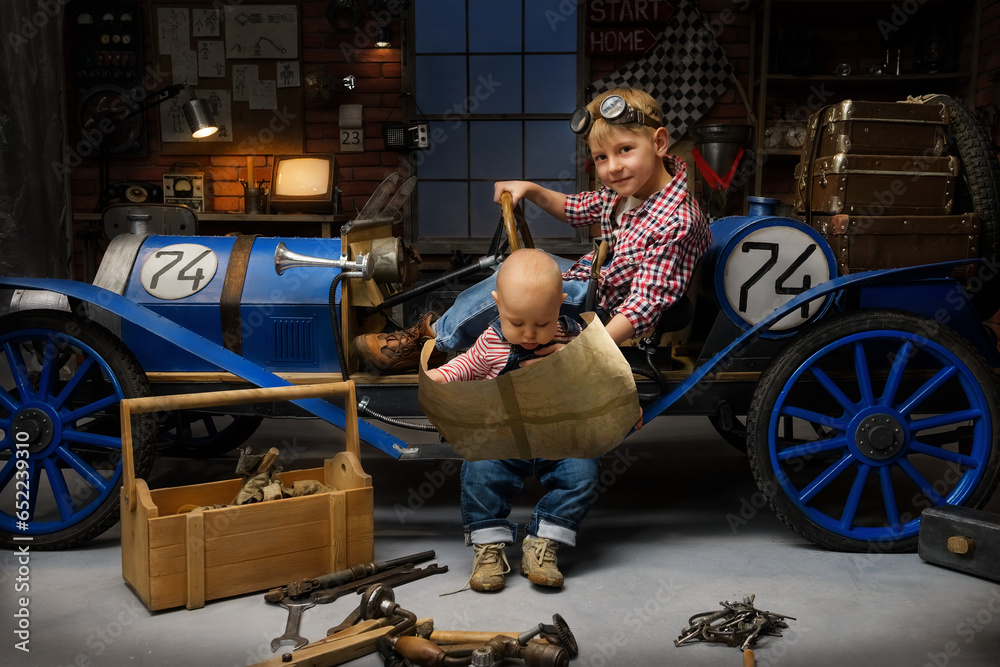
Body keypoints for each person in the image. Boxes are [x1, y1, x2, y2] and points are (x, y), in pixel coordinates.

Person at [354, 86, 710, 371]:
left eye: (625, 150)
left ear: (659, 143)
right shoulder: (630, 193)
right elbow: (578, 208)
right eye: (602, 157)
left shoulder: (675, 219)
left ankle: (432, 343)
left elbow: (644, 306)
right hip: (590, 279)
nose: (613, 167)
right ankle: (444, 339)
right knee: (524, 263)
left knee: (518, 282)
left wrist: (581, 349)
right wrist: (531, 189)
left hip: (602, 310)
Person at [425, 248, 595, 592]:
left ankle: (542, 541)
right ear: (497, 303)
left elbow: (598, 374)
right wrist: (439, 378)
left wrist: (619, 400)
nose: (529, 334)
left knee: (582, 474)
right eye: (516, 323)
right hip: (502, 436)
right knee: (480, 474)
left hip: (558, 435)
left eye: (542, 323)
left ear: (561, 304)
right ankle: (488, 548)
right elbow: (466, 366)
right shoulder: (491, 341)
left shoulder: (574, 338)